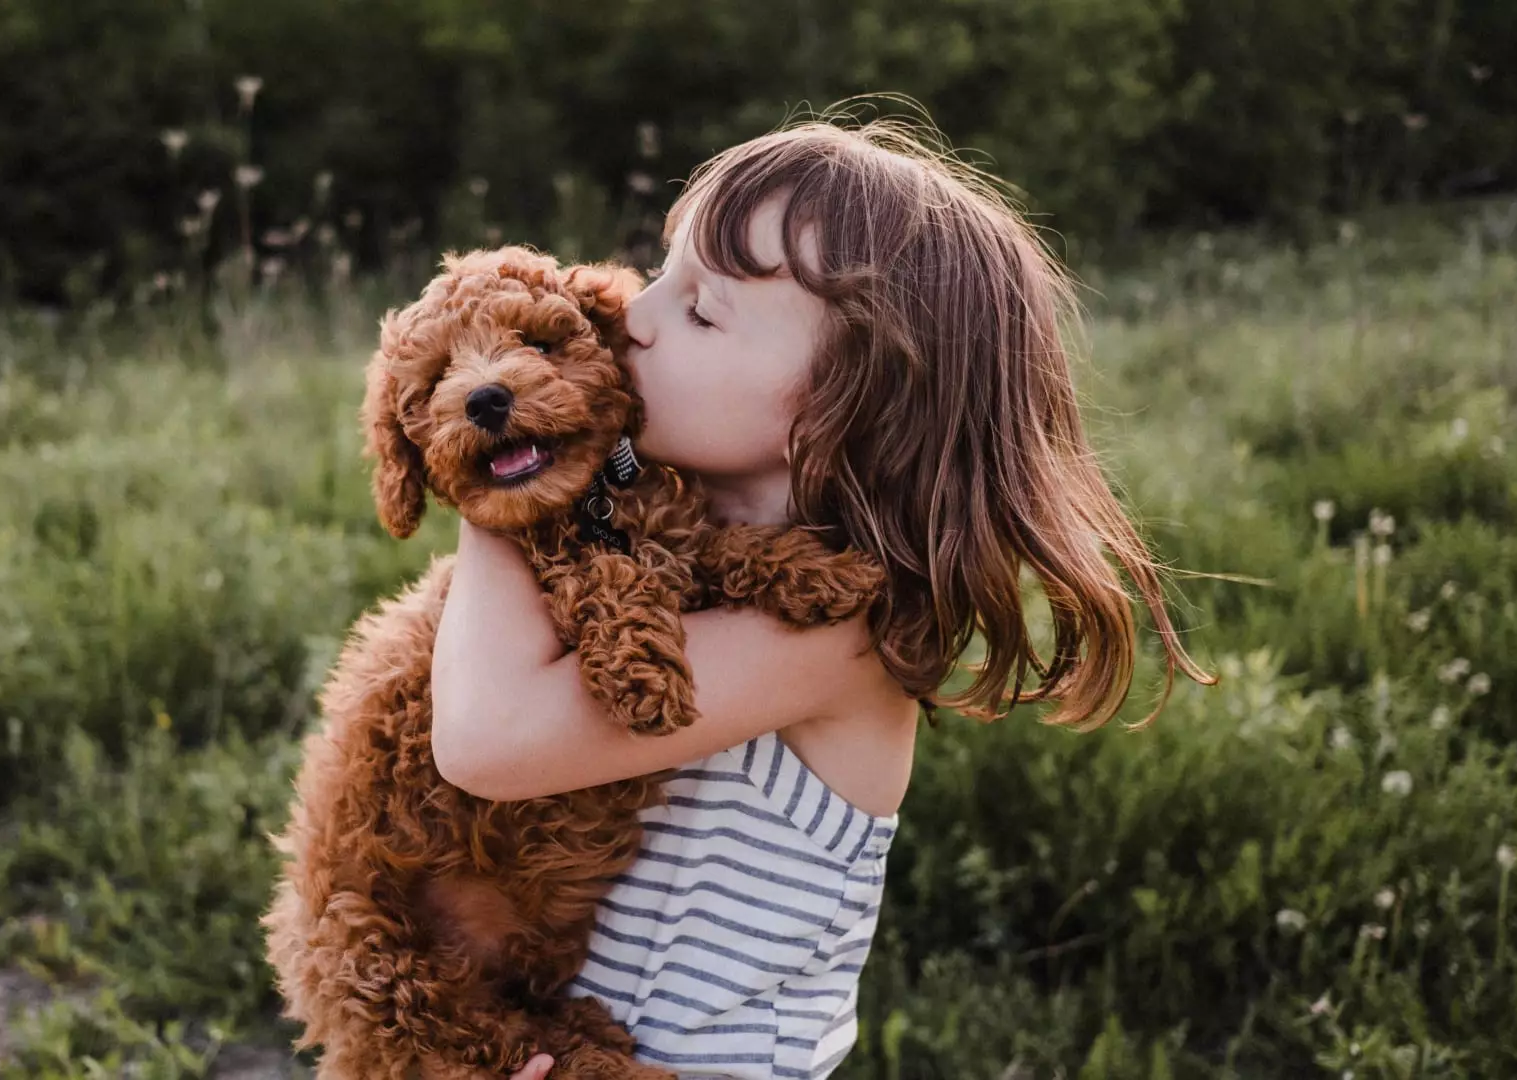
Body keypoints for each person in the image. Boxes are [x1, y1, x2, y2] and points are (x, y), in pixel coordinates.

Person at [429, 112, 1210, 1080]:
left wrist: (500, 477)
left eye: (702, 310)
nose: (634, 314)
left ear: (836, 412)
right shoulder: (683, 555)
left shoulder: (831, 635)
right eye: (663, 269)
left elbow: (484, 739)